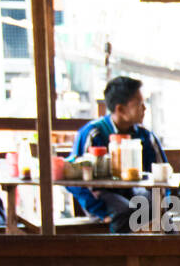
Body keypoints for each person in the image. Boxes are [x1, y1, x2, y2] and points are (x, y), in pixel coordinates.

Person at [67, 76, 169, 233]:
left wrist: (163, 206)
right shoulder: (93, 134)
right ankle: (123, 256)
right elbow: (74, 178)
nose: (145, 108)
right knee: (124, 211)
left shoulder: (145, 136)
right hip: (101, 200)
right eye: (139, 104)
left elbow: (162, 174)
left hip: (135, 194)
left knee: (156, 210)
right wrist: (100, 210)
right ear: (120, 109)